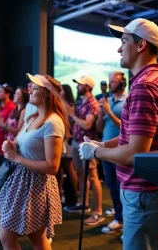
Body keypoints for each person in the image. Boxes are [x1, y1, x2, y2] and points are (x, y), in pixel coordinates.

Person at [78, 18, 158, 250]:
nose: (119, 48)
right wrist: (101, 143)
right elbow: (131, 137)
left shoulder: (144, 86)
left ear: (141, 45)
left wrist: (96, 152)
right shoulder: (156, 79)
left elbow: (135, 152)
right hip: (150, 190)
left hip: (142, 191)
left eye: (124, 41)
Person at [0, 73, 69, 250]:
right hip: (22, 182)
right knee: (37, 238)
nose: (30, 90)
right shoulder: (33, 117)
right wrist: (14, 146)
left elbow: (52, 166)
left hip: (36, 185)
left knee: (8, 237)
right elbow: (27, 146)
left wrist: (17, 158)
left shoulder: (53, 123)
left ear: (46, 94)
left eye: (35, 88)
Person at [64, 75, 104, 228]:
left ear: (87, 86)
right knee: (81, 174)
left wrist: (72, 115)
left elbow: (87, 125)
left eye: (80, 84)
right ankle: (84, 203)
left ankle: (98, 210)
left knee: (93, 177)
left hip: (87, 144)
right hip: (76, 142)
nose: (77, 86)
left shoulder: (93, 103)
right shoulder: (81, 101)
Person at [96, 72, 127, 236]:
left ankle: (122, 219)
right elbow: (99, 128)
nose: (110, 84)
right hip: (107, 149)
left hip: (120, 150)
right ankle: (118, 214)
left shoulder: (127, 101)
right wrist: (102, 113)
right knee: (110, 184)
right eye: (109, 81)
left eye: (113, 82)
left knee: (120, 186)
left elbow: (126, 126)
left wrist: (108, 111)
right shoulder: (109, 101)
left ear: (123, 83)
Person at [56, 84, 79, 207]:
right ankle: (61, 195)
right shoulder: (65, 104)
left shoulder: (66, 106)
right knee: (61, 169)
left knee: (68, 168)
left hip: (65, 140)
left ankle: (74, 195)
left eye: (61, 90)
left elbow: (67, 124)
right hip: (65, 139)